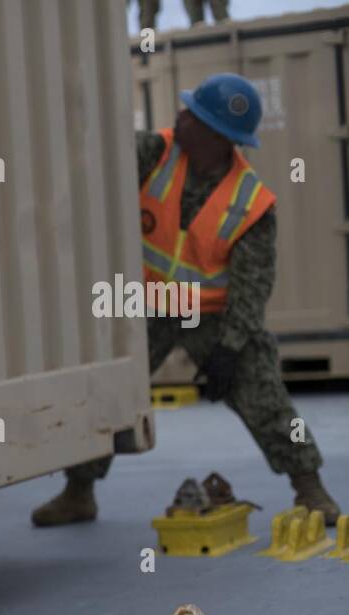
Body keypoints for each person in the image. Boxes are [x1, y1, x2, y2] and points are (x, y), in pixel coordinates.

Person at [33, 73, 340, 528]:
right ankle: (79, 492)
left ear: (220, 139)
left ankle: (311, 490)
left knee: (264, 395)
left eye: (193, 116)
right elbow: (90, 162)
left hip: (213, 315)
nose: (180, 117)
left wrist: (231, 350)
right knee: (102, 391)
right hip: (145, 303)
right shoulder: (152, 153)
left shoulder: (250, 202)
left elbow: (252, 286)